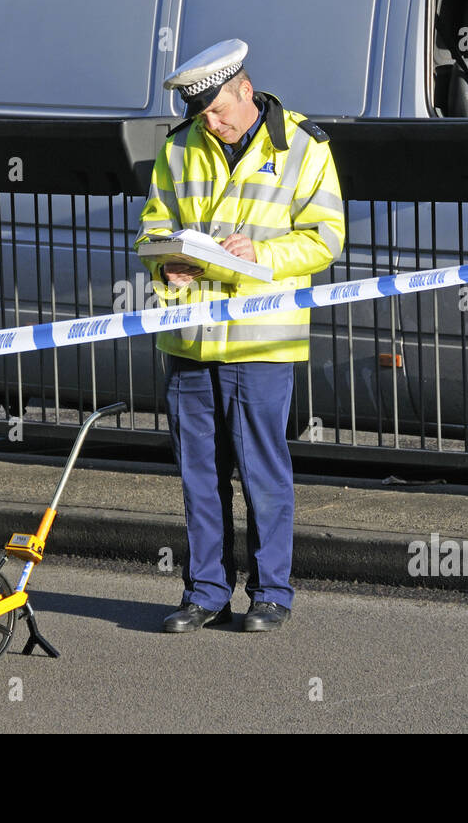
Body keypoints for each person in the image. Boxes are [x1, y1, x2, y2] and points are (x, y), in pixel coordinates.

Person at [134, 39, 345, 633]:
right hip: (190, 337)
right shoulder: (179, 149)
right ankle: (205, 593)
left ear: (244, 91)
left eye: (219, 111)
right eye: (203, 115)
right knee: (200, 475)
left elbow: (327, 237)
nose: (212, 122)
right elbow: (153, 224)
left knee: (262, 473)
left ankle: (272, 593)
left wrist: (265, 252)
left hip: (262, 338)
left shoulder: (304, 146)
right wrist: (162, 262)